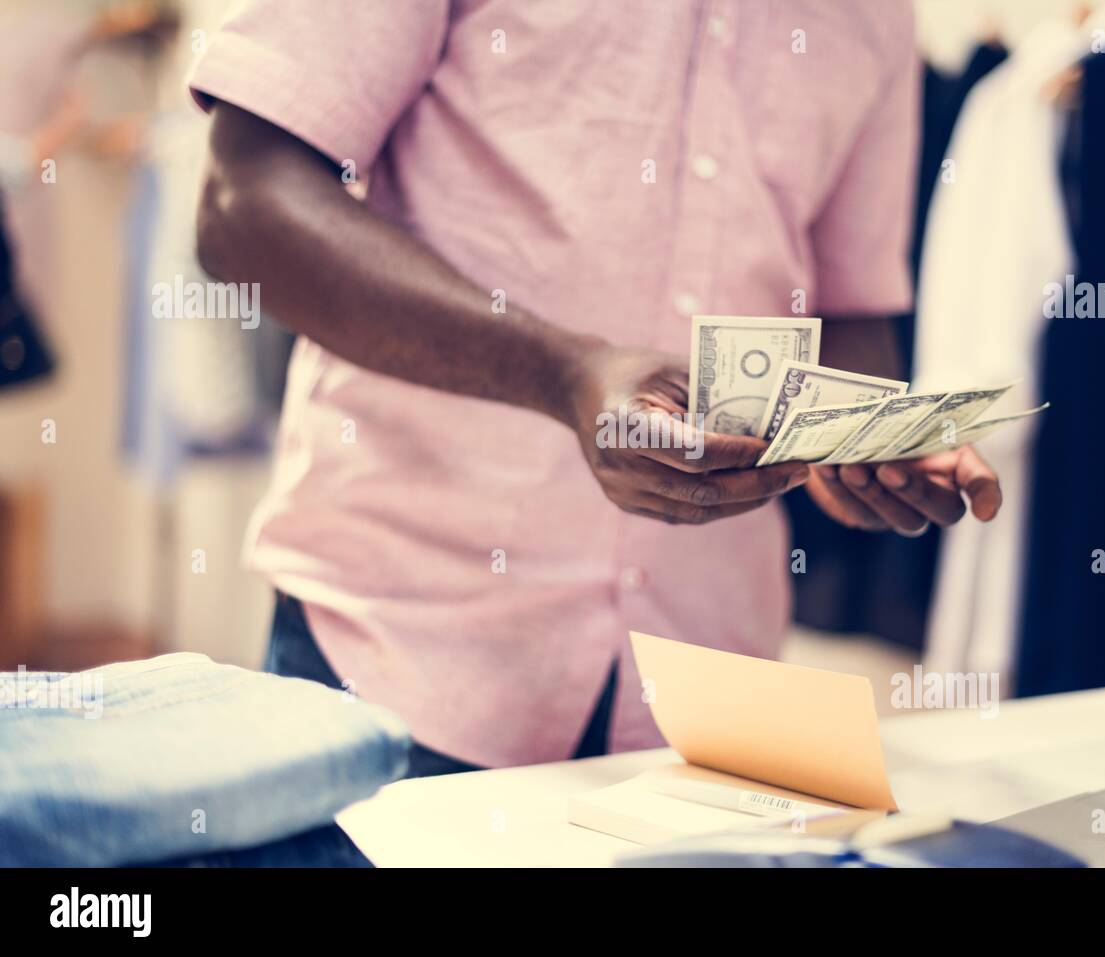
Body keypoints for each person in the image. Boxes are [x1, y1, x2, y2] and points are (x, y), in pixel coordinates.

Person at [191, 1, 1002, 777]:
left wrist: (862, 438)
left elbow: (852, 311)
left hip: (710, 700)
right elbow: (244, 206)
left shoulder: (875, 13)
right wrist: (565, 374)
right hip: (395, 661)